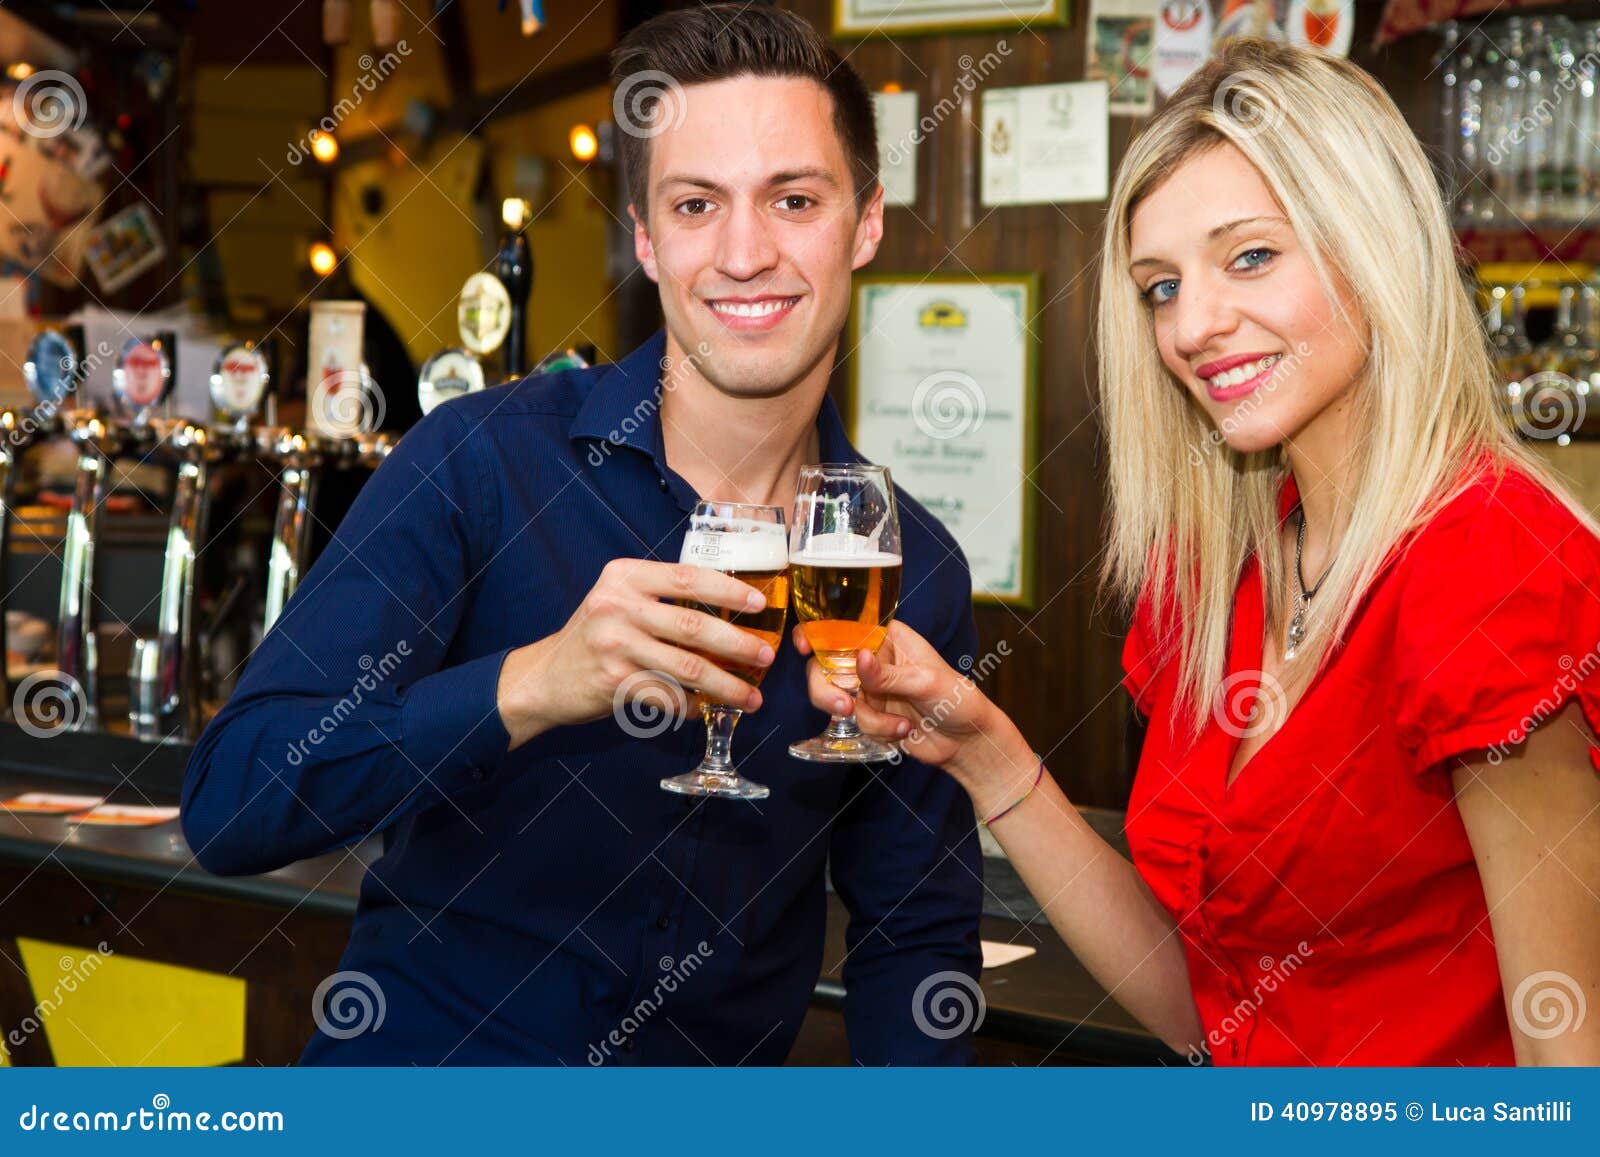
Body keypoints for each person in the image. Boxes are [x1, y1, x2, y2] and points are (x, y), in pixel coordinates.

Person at [181, 4, 983, 1066]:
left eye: (793, 199)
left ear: (866, 222)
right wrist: (528, 684)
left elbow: (912, 933)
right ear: (647, 238)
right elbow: (234, 801)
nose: (745, 253)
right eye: (697, 205)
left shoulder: (908, 570)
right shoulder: (480, 461)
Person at [799, 39, 1600, 1066]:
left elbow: (1565, 1076)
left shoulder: (1488, 557)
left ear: (1375, 246)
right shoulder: (1212, 577)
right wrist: (981, 748)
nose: (1194, 325)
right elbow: (1205, 1007)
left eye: (1250, 256)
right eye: (1159, 286)